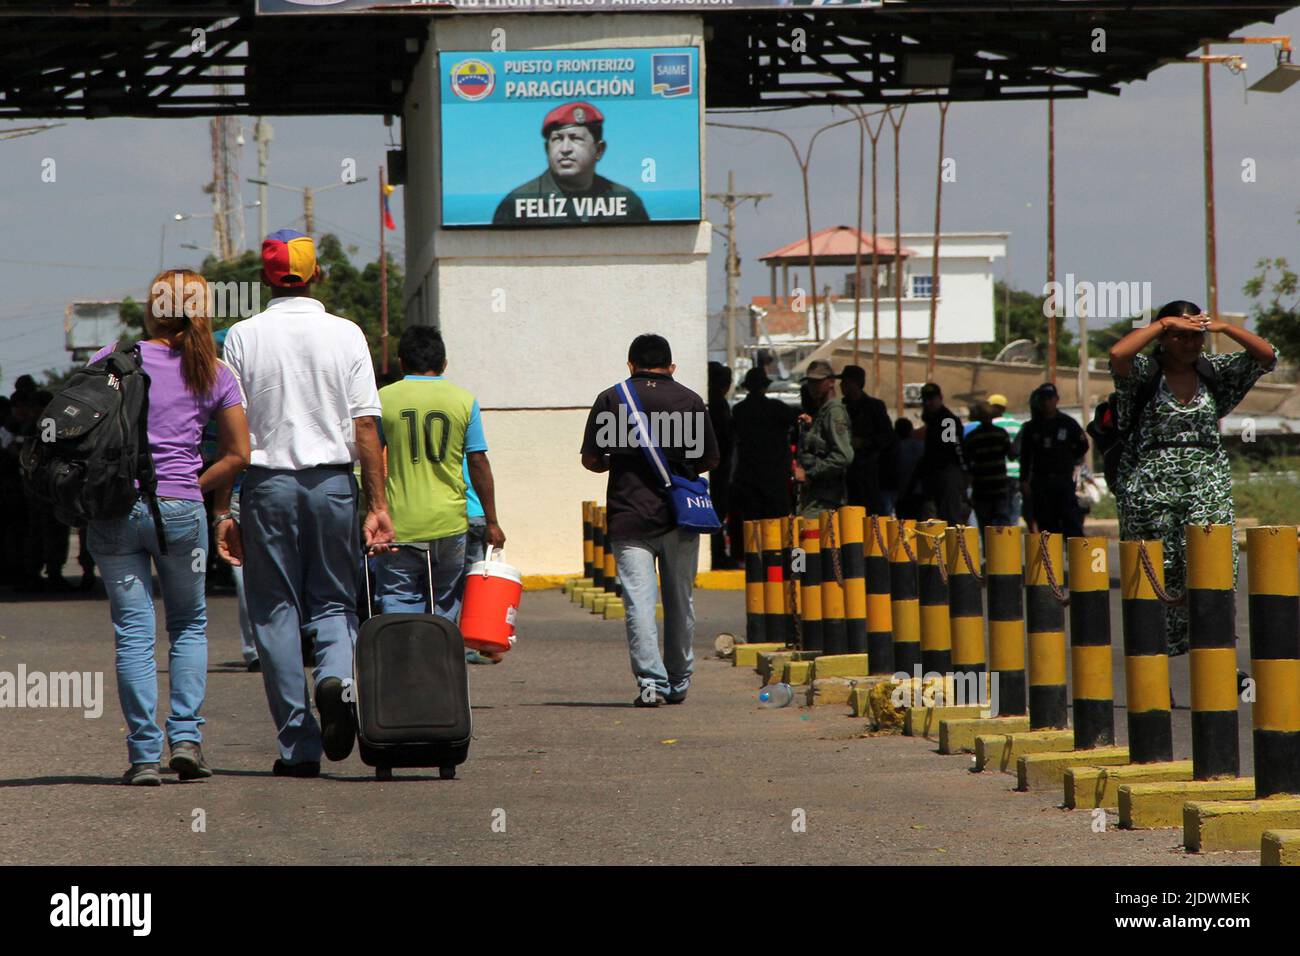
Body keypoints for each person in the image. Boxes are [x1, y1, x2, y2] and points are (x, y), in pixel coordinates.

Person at [215, 230, 394, 779]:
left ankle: (298, 745)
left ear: (267, 279)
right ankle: (334, 679)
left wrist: (225, 509)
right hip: (333, 484)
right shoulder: (347, 334)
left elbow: (232, 433)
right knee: (336, 601)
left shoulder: (242, 338)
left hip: (267, 485)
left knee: (274, 612)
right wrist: (376, 502)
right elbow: (366, 424)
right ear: (318, 273)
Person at [87, 269, 249, 785]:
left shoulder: (111, 362)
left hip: (115, 509)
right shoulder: (216, 373)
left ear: (152, 309)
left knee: (133, 633)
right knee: (188, 624)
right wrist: (193, 486)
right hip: (180, 510)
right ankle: (185, 738)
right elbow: (239, 454)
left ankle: (142, 757)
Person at [1109, 300, 1276, 656]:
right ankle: (1151, 671)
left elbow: (1266, 356)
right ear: (1165, 337)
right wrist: (1161, 324)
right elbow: (1118, 354)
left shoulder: (1212, 371)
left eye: (1196, 336)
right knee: (1156, 574)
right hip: (1150, 486)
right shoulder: (1144, 371)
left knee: (1212, 566)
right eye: (1181, 336)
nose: (1191, 344)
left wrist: (1224, 328)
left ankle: (1217, 659)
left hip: (1207, 480)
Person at [581, 334, 718, 707]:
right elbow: (709, 460)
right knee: (680, 602)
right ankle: (679, 680)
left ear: (631, 365)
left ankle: (650, 685)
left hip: (629, 518)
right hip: (680, 518)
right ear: (671, 367)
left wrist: (622, 463)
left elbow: (591, 460)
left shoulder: (611, 399)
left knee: (638, 605)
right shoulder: (690, 401)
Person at [374, 326, 505, 621]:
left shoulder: (383, 398)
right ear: (444, 363)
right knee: (445, 601)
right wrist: (492, 520)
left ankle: (404, 660)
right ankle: (441, 662)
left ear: (401, 362)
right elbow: (479, 462)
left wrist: (370, 508)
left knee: (398, 598)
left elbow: (370, 457)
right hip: (449, 523)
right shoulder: (464, 400)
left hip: (399, 523)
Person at [493, 101, 649, 226]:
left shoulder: (626, 201)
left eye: (575, 139)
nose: (565, 149)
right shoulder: (518, 203)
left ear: (599, 149)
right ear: (547, 149)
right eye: (557, 139)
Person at [729, 366, 797, 546]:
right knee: (777, 522)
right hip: (775, 474)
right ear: (765, 387)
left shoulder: (739, 410)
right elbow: (796, 425)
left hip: (749, 474)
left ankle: (755, 559)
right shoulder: (778, 408)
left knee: (753, 523)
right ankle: (780, 558)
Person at [1018, 382, 1089, 539]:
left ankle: (1078, 559)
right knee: (1046, 522)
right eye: (1044, 399)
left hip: (1062, 478)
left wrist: (1069, 457)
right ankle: (1050, 559)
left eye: (1050, 398)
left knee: (1071, 519)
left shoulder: (1067, 423)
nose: (1047, 402)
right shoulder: (1032, 427)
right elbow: (1025, 456)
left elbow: (1083, 445)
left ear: (1056, 399)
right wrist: (1023, 480)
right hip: (1041, 479)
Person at [794, 360, 853, 519]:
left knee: (808, 537)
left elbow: (843, 456)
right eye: (810, 382)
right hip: (814, 496)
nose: (813, 387)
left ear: (831, 382)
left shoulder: (834, 412)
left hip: (826, 499)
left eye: (818, 382)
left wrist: (810, 474)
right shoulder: (821, 413)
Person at [839, 364, 895, 514]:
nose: (841, 386)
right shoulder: (839, 407)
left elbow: (888, 436)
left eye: (845, 382)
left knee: (872, 514)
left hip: (869, 470)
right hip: (845, 471)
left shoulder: (874, 407)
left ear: (855, 384)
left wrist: (864, 443)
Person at [909, 382, 967, 525]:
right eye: (925, 400)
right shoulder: (933, 420)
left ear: (940, 398)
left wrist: (963, 470)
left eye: (931, 399)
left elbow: (953, 448)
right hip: (933, 474)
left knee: (950, 517)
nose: (928, 403)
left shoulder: (946, 420)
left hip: (946, 472)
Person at [963, 401, 1013, 529]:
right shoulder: (1001, 434)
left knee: (985, 526)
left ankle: (988, 549)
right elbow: (1011, 454)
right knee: (1002, 525)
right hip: (1000, 487)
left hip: (981, 488)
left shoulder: (972, 437)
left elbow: (967, 463)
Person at [706, 361, 736, 567]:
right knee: (717, 511)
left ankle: (718, 553)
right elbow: (726, 439)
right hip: (719, 468)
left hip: (715, 468)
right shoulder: (719, 404)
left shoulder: (708, 402)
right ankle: (718, 555)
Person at [987, 393, 1023, 523]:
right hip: (1016, 473)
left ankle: (999, 540)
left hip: (998, 474)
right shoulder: (1018, 424)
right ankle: (1012, 538)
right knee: (1014, 507)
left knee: (1000, 510)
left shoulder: (992, 425)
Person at [888, 418, 926, 520]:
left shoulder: (894, 449)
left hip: (901, 492)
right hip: (918, 492)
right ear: (910, 431)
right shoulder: (921, 447)